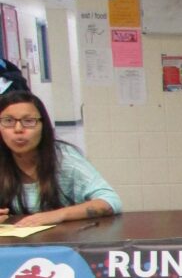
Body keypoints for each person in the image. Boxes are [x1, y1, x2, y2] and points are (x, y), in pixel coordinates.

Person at [0, 90, 121, 226]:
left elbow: (110, 201)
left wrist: (58, 214)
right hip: (12, 243)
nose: (18, 129)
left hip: (64, 241)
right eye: (8, 121)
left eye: (29, 121)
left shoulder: (63, 157)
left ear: (43, 126)